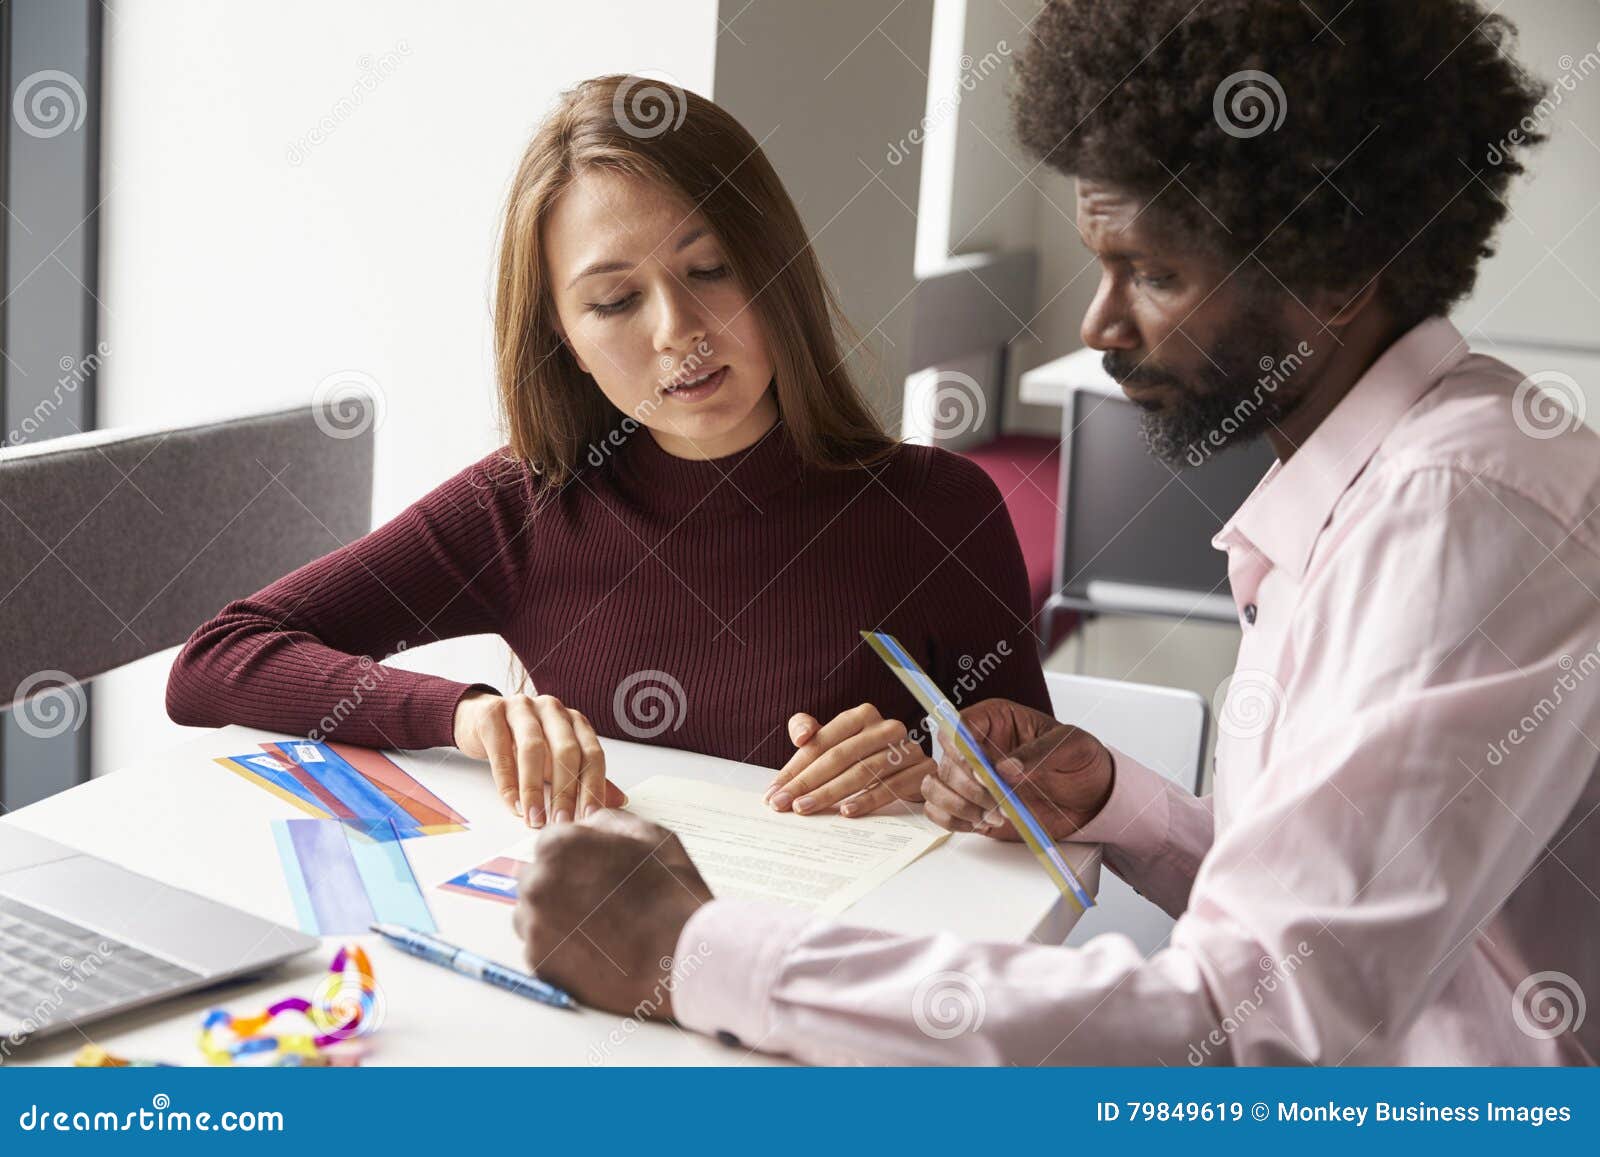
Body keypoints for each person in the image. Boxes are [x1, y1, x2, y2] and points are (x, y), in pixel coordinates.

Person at [512, 1, 1600, 1065]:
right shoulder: (1380, 486)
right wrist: (1125, 806)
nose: (1099, 324)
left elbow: (1251, 1018)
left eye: (1155, 272)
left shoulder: (1460, 514)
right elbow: (1322, 918)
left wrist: (690, 950)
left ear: (1336, 271)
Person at [165, 75, 1050, 829]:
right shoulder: (522, 504)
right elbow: (217, 660)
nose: (679, 333)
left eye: (709, 271)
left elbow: (1038, 788)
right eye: (616, 301)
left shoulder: (941, 509)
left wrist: (937, 768)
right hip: (593, 974)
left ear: (775, 264)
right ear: (565, 337)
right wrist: (469, 717)